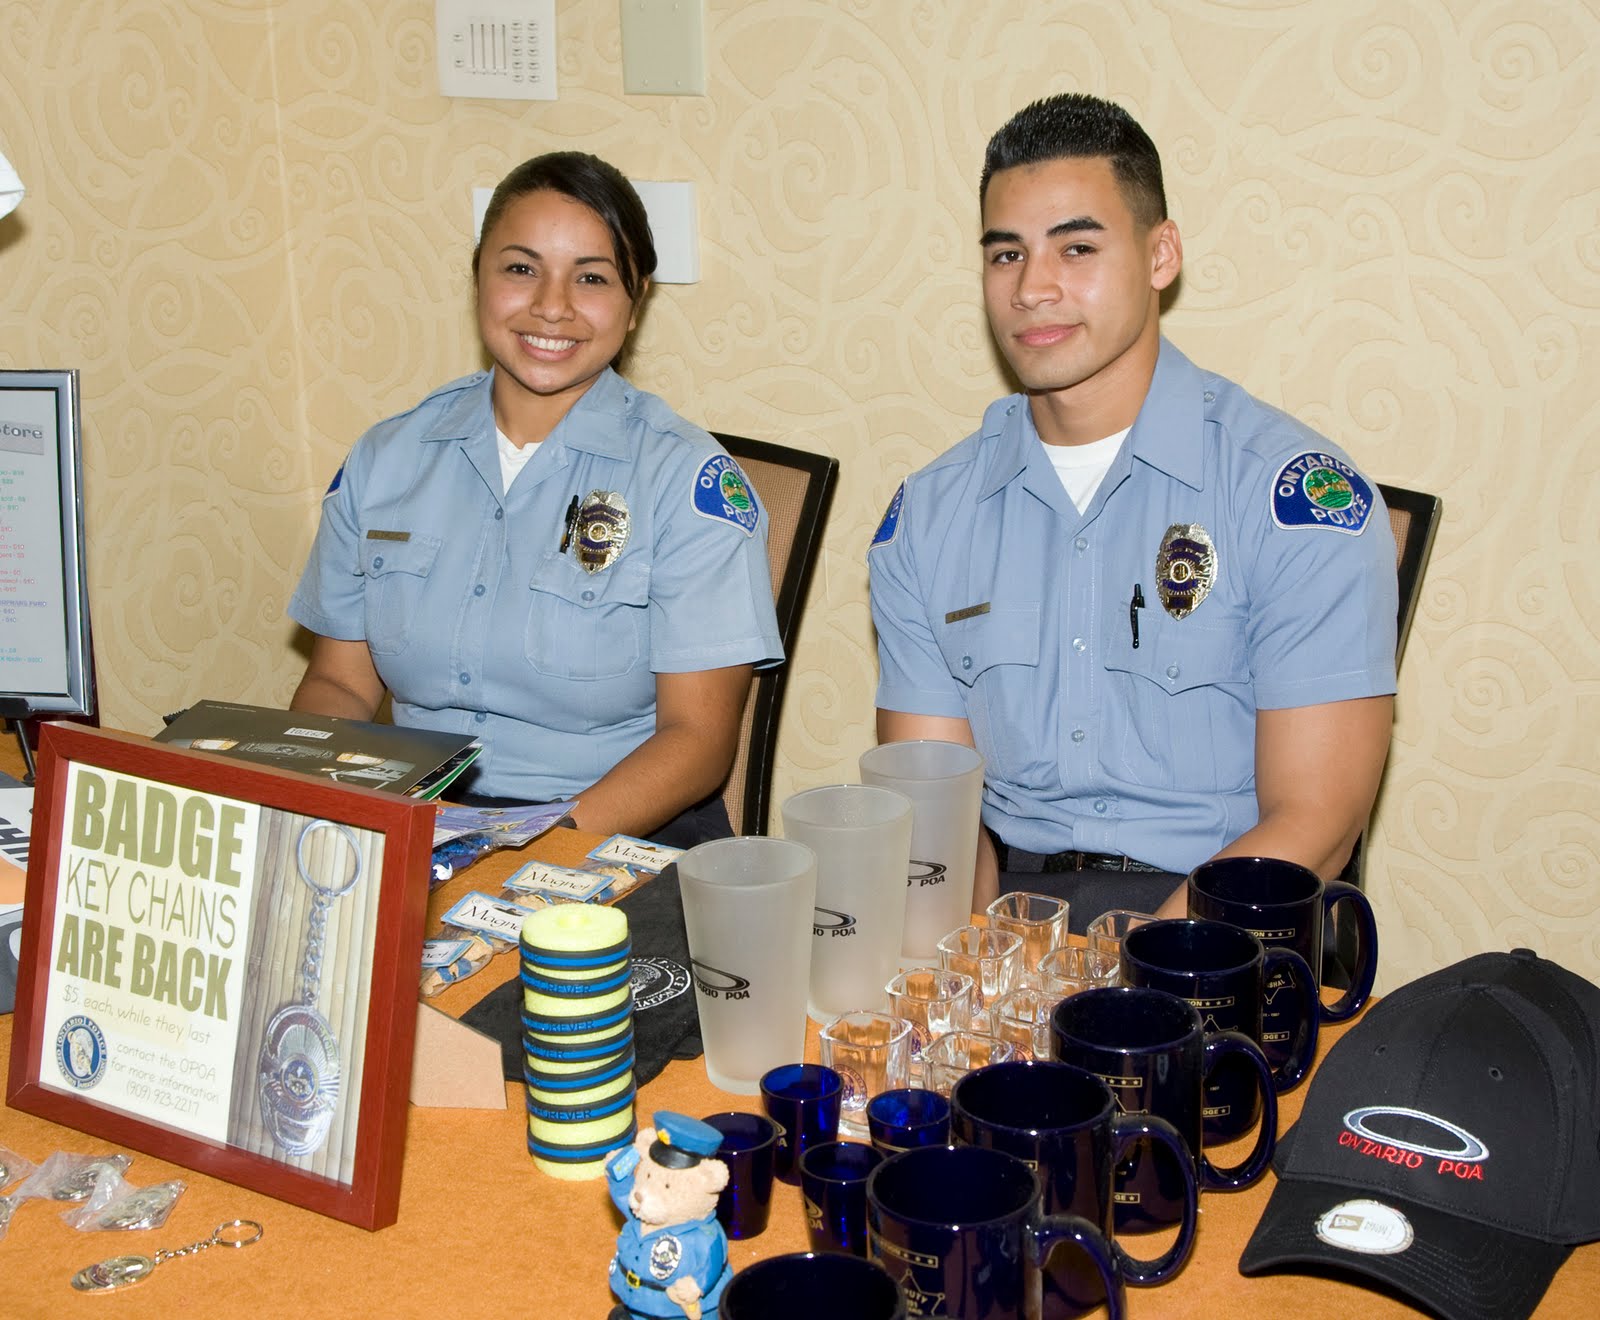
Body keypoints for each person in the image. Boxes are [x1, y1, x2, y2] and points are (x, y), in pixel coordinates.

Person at [868, 94, 1397, 931]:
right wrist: (976, 979)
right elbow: (936, 823)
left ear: (1161, 255)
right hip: (1019, 925)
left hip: (1232, 927)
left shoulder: (1288, 496)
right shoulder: (931, 515)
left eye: (1077, 247)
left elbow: (1316, 822)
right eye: (1007, 255)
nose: (1034, 288)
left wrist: (1131, 981)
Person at [288, 152, 781, 847]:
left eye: (591, 278)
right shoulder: (386, 460)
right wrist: (315, 805)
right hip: (417, 824)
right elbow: (339, 684)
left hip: (609, 832)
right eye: (521, 268)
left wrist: (530, 848)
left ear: (635, 300)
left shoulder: (684, 479)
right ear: (477, 279)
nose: (552, 306)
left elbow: (697, 740)